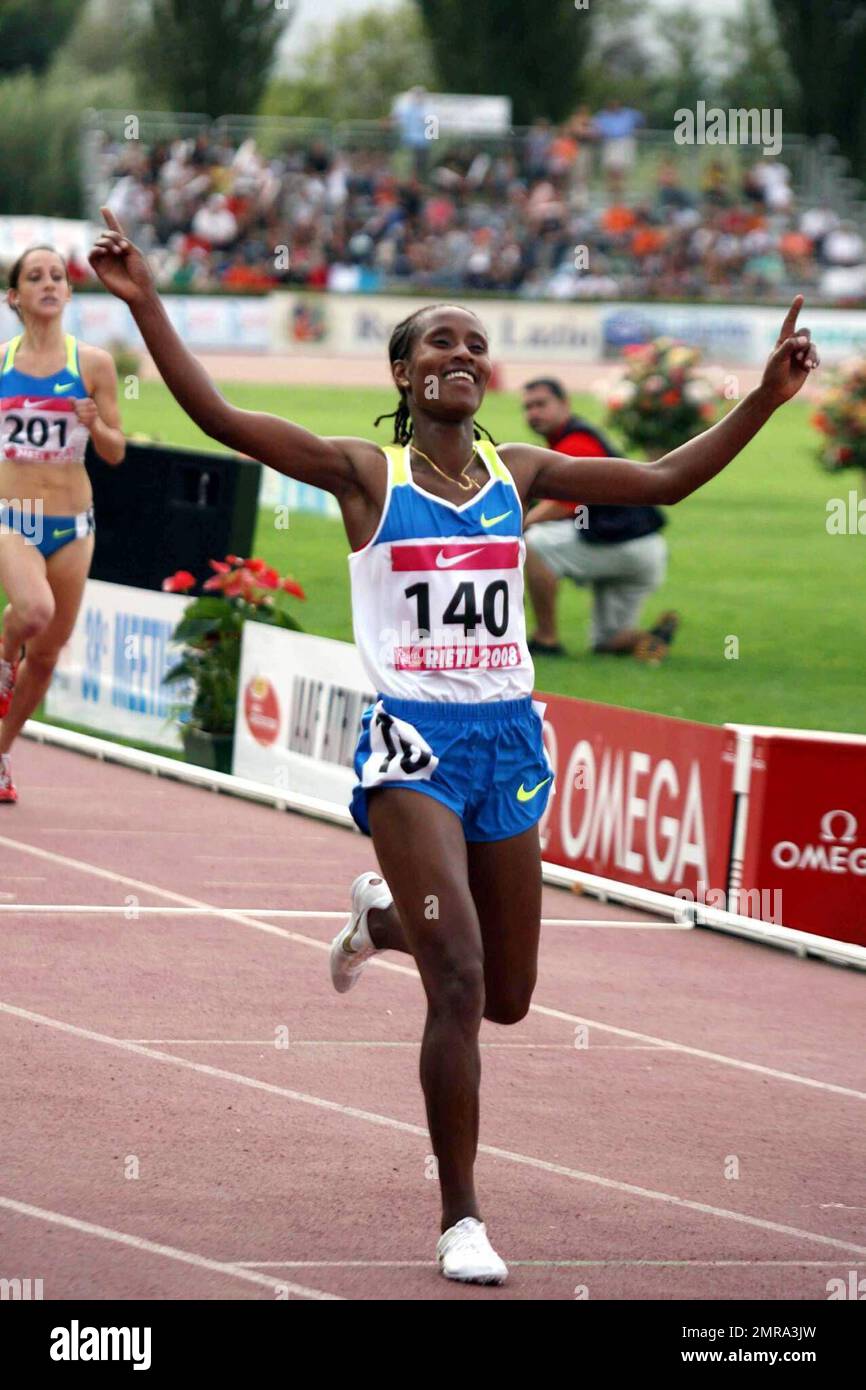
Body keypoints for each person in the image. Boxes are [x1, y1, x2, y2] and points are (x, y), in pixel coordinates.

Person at [89, 207, 818, 1285]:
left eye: (476, 344)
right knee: (464, 982)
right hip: (411, 749)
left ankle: (379, 919)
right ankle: (460, 1217)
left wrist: (761, 398)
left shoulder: (519, 475)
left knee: (513, 993)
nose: (462, 356)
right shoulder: (359, 475)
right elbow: (222, 416)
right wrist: (147, 301)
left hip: (507, 742)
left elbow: (662, 483)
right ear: (402, 372)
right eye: (440, 341)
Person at [0, 246, 125, 803]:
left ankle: (1, 755)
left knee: (48, 654)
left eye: (57, 276)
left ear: (68, 294)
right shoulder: (2, 364)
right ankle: (3, 657)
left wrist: (96, 425)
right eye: (35, 277)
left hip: (75, 523)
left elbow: (117, 451)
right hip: (15, 517)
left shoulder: (93, 364)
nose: (49, 283)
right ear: (15, 297)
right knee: (34, 612)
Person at [521, 378, 676, 661]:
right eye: (528, 407)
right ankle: (651, 639)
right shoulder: (573, 438)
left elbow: (564, 503)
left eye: (541, 404)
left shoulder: (577, 441)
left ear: (565, 404)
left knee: (533, 543)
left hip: (626, 547)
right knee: (606, 642)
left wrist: (518, 525)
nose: (533, 413)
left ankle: (546, 639)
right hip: (640, 550)